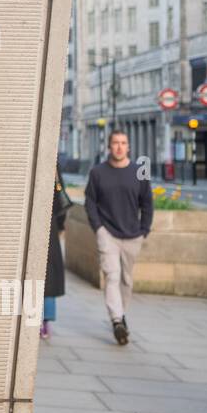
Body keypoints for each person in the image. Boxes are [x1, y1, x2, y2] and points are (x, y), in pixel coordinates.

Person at [83, 129, 153, 345]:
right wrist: (99, 228)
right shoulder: (97, 173)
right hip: (108, 234)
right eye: (116, 143)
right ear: (109, 146)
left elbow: (148, 203)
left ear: (128, 147)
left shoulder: (139, 172)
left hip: (133, 235)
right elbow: (90, 202)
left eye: (123, 143)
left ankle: (121, 315)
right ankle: (116, 321)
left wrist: (144, 229)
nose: (119, 147)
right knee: (112, 276)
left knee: (126, 280)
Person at [41, 168, 71, 339]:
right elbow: (61, 203)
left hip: (37, 224)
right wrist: (59, 225)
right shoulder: (53, 166)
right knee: (49, 275)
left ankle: (37, 319)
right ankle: (45, 322)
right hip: (50, 225)